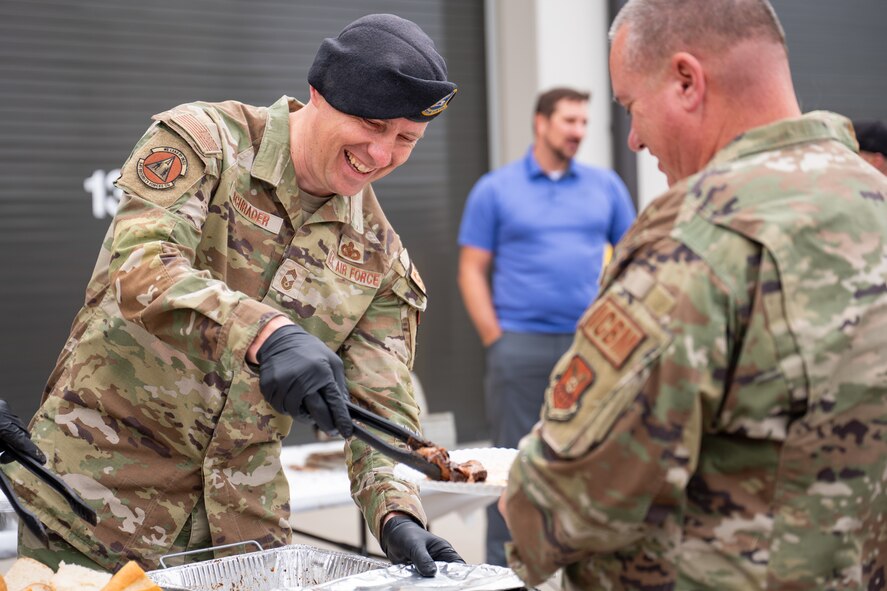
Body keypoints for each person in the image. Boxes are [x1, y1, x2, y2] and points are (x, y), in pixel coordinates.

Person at [1, 13, 463, 576]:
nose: (382, 154)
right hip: (96, 506)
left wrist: (398, 516)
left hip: (241, 541)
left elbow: (381, 410)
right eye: (371, 124)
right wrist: (267, 334)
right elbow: (140, 267)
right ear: (318, 94)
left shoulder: (380, 258)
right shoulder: (207, 144)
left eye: (406, 139)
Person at [499, 0, 887, 588]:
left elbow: (575, 493)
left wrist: (519, 502)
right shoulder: (872, 198)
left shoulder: (699, 238)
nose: (631, 138)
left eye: (631, 105)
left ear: (686, 80)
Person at [457, 87, 636, 565]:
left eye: (584, 123)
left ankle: (584, 564)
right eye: (569, 121)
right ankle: (504, 566)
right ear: (541, 123)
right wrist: (496, 339)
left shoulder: (607, 187)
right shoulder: (495, 189)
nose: (579, 131)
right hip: (518, 347)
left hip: (588, 350)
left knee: (589, 457)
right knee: (511, 465)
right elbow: (472, 269)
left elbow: (634, 258)